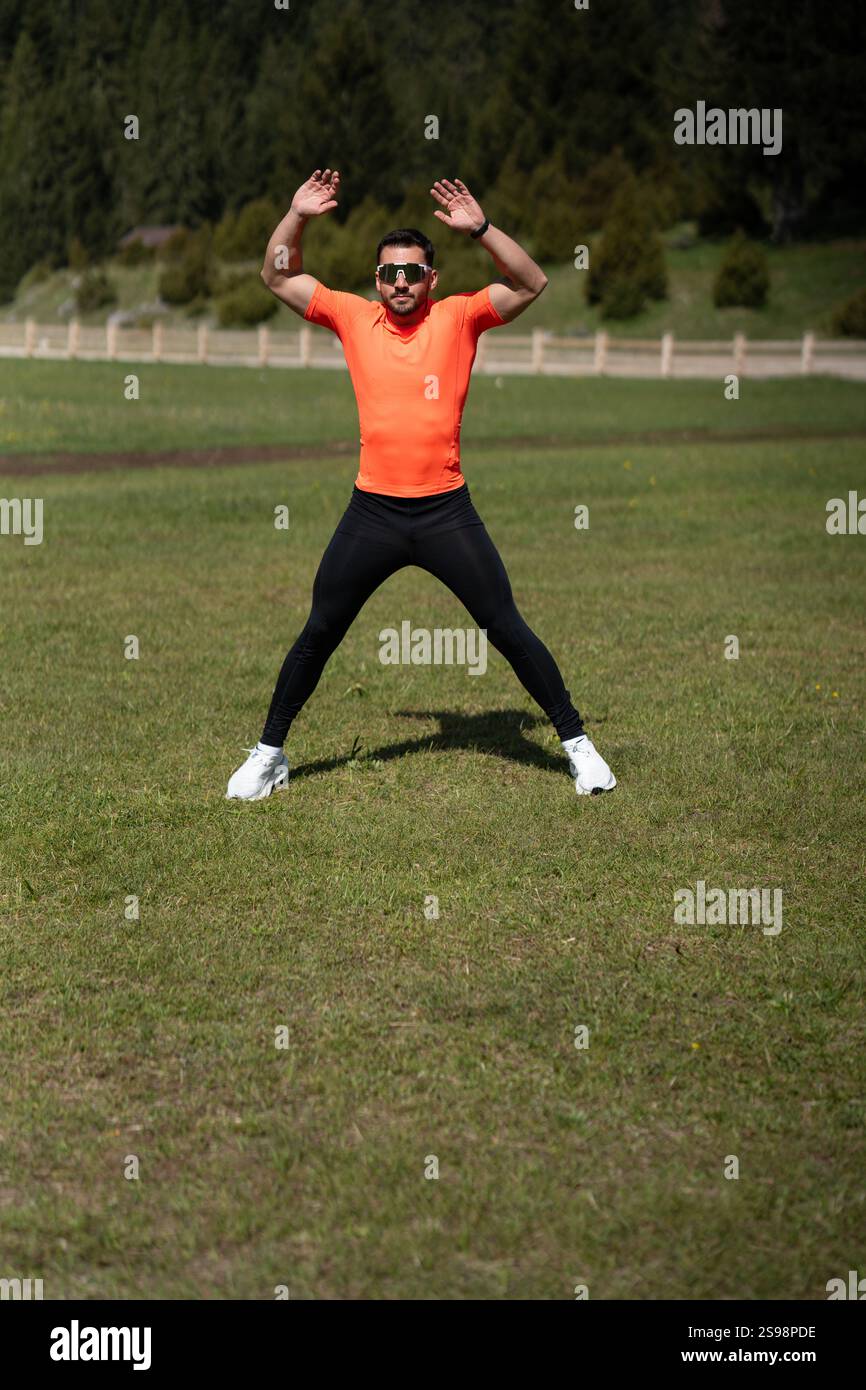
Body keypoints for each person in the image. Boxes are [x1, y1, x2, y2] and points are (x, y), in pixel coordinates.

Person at [226, 169, 616, 800]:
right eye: (389, 273)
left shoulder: (460, 317)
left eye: (412, 272)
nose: (400, 282)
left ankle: (578, 745)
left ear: (431, 278)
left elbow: (532, 282)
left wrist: (482, 229)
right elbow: (276, 275)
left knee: (504, 626)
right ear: (376, 279)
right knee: (321, 629)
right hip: (372, 514)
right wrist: (296, 216)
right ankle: (269, 754)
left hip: (445, 514)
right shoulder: (352, 316)